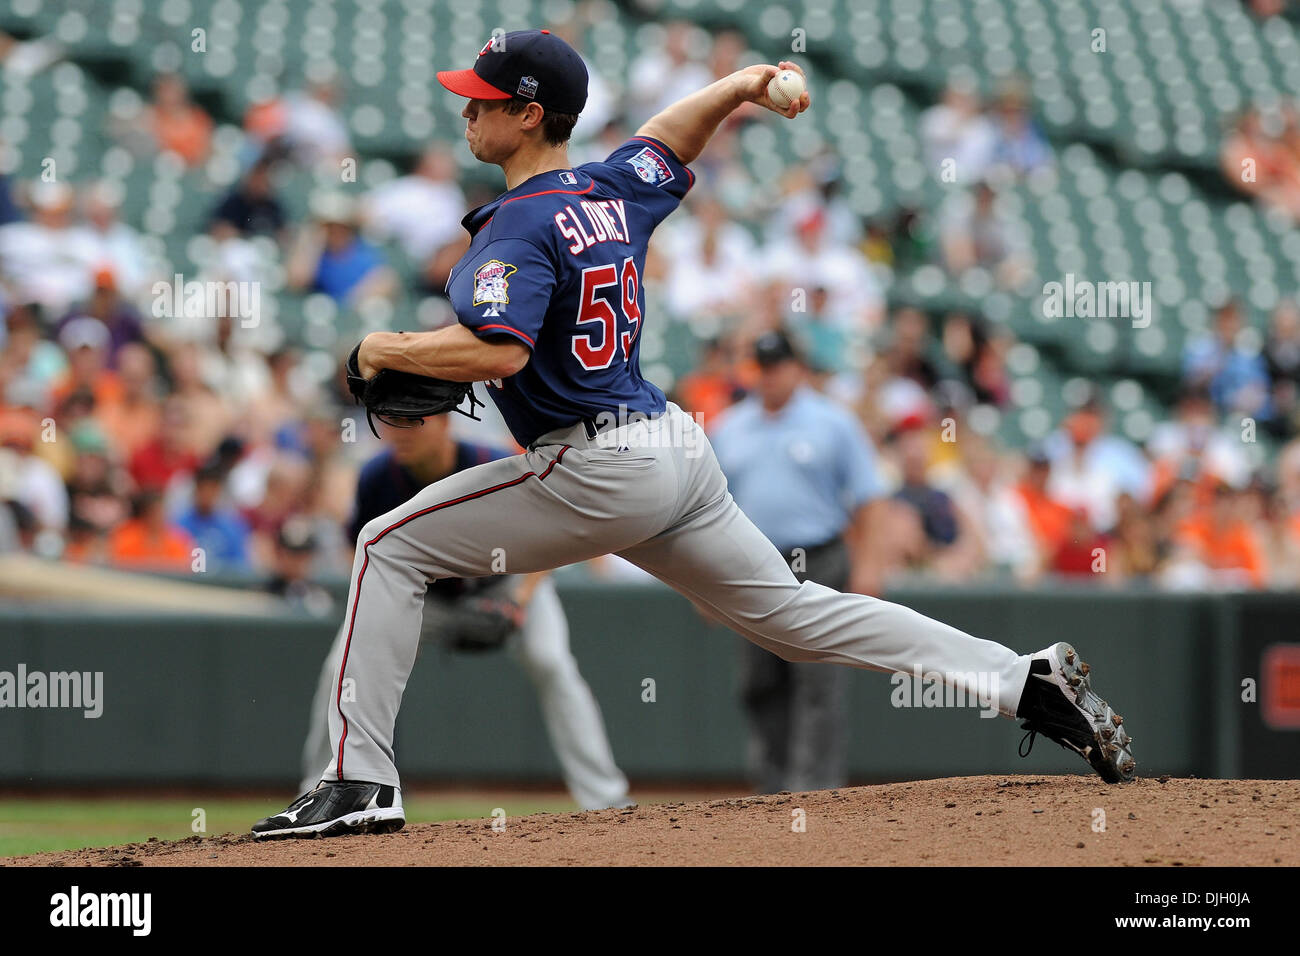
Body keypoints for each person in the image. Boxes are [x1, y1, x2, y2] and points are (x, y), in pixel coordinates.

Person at [253, 31, 1134, 839]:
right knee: (794, 617)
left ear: (529, 115)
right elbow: (670, 141)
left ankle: (358, 781)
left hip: (594, 465)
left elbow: (499, 351)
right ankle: (1023, 680)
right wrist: (739, 85)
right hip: (674, 451)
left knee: (384, 544)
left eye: (483, 99)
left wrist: (382, 345)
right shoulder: (604, 189)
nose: (465, 110)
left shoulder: (520, 221)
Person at [298, 410, 630, 809]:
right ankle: (317, 794)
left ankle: (605, 800)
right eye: (390, 421)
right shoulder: (377, 477)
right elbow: (363, 555)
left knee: (552, 662)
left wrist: (518, 599)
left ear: (443, 422)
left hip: (508, 583)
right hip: (428, 596)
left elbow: (555, 532)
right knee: (342, 667)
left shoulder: (492, 461)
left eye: (413, 419)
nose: (399, 432)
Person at [710, 330, 884, 794]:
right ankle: (772, 790)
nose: (768, 375)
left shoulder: (832, 422)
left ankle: (816, 792)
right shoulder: (729, 426)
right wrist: (702, 583)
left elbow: (869, 498)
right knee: (757, 682)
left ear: (797, 368)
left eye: (777, 365)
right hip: (750, 565)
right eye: (761, 366)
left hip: (820, 560)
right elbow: (702, 509)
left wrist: (868, 566)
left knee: (818, 683)